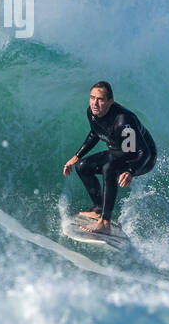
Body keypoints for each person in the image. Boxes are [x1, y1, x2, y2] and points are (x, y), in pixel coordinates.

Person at [62, 81, 157, 234]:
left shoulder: (124, 121)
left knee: (109, 168)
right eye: (92, 98)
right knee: (82, 166)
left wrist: (131, 171)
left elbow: (142, 152)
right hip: (119, 151)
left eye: (100, 99)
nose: (95, 103)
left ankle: (105, 223)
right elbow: (95, 133)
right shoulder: (92, 113)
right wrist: (77, 156)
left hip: (142, 158)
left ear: (110, 102)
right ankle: (98, 209)